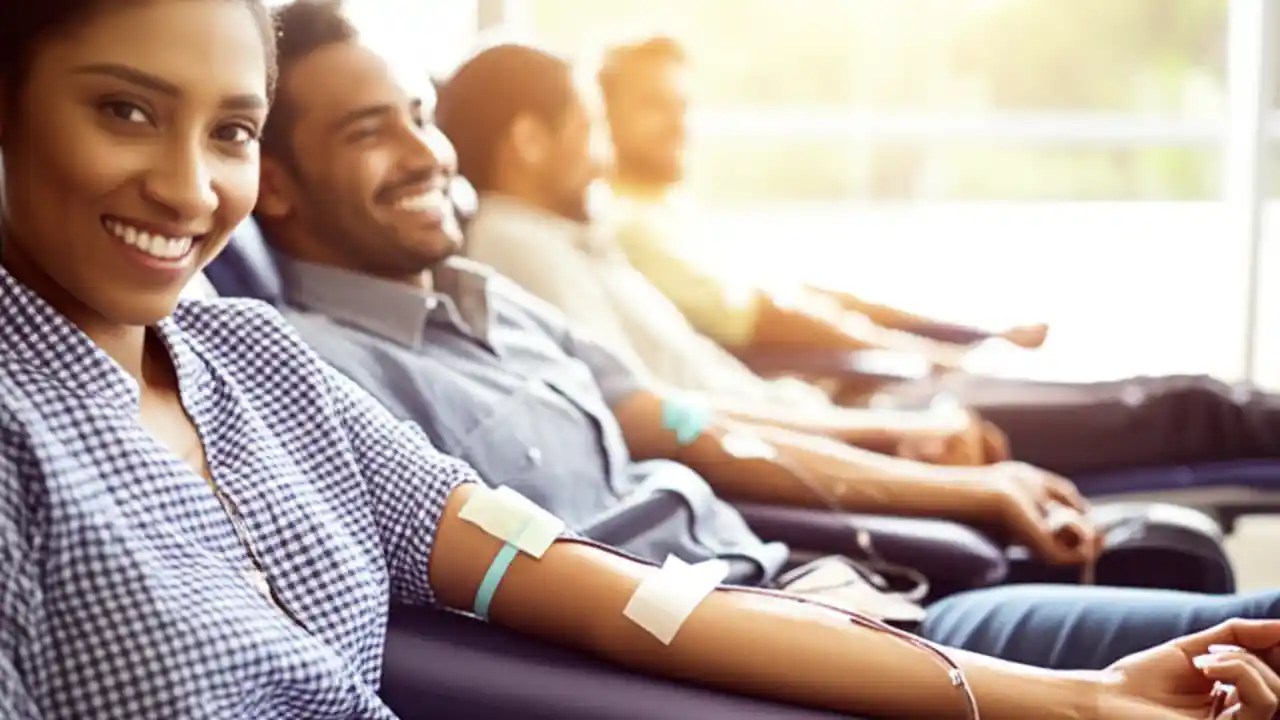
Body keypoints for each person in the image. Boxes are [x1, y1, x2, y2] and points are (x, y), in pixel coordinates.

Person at [2, 1, 1280, 719]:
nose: (186, 184)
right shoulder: (20, 424)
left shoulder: (259, 363)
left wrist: (1072, 704)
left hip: (820, 598)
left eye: (226, 128)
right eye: (124, 109)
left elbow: (614, 591)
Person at [597, 36, 1280, 477]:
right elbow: (777, 321)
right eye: (656, 106)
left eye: (683, 103)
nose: (680, 122)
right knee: (1189, 409)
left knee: (1185, 395)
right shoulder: (631, 228)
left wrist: (969, 335)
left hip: (894, 382)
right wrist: (925, 358)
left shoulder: (672, 212)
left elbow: (817, 299)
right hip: (877, 404)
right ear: (605, 118)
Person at [441, 44, 1015, 469]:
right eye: (591, 130)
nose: (605, 156)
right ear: (530, 142)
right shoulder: (518, 249)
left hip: (790, 417)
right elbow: (662, 418)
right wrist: (875, 436)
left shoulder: (562, 238)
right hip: (778, 441)